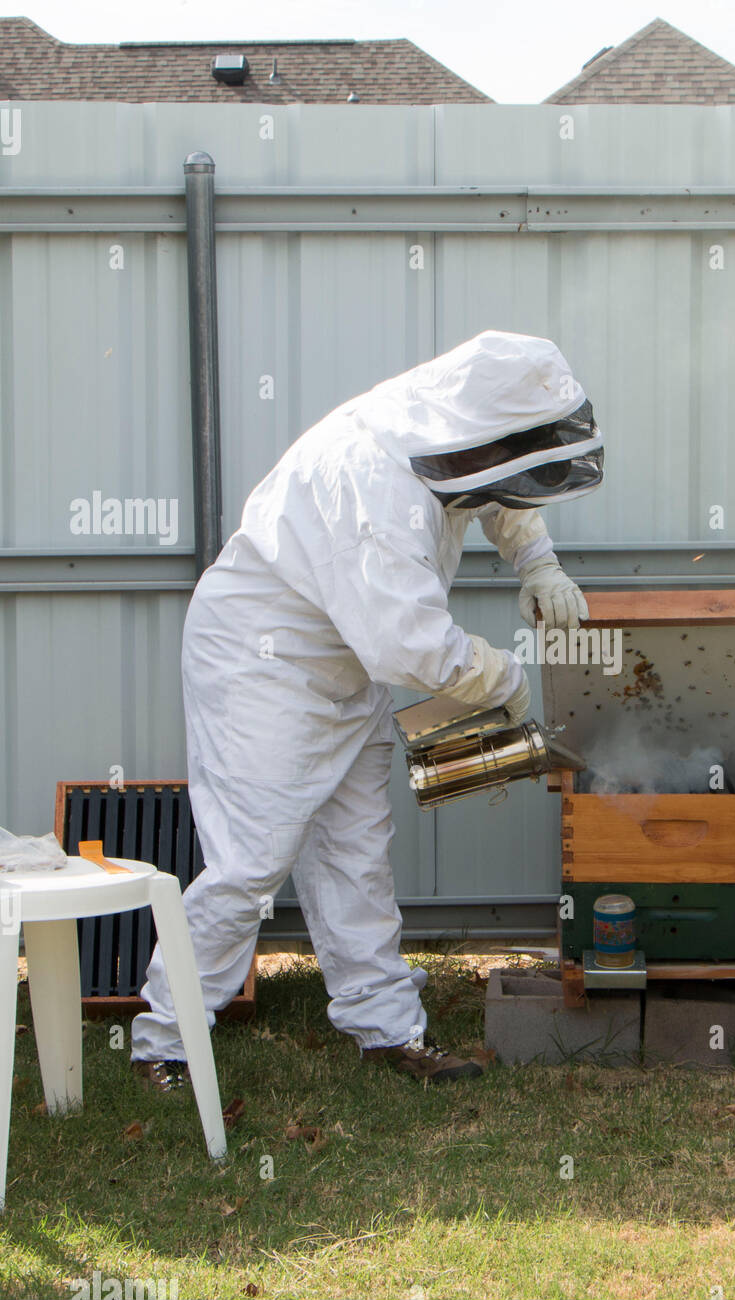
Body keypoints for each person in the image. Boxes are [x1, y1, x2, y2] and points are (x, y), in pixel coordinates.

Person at [131, 329, 602, 1086]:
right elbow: (410, 649)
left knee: (355, 855)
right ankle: (164, 1041)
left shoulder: (447, 427)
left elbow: (498, 484)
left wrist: (536, 559)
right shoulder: (374, 486)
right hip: (263, 665)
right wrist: (506, 681)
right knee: (251, 864)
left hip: (344, 660)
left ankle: (387, 1031)